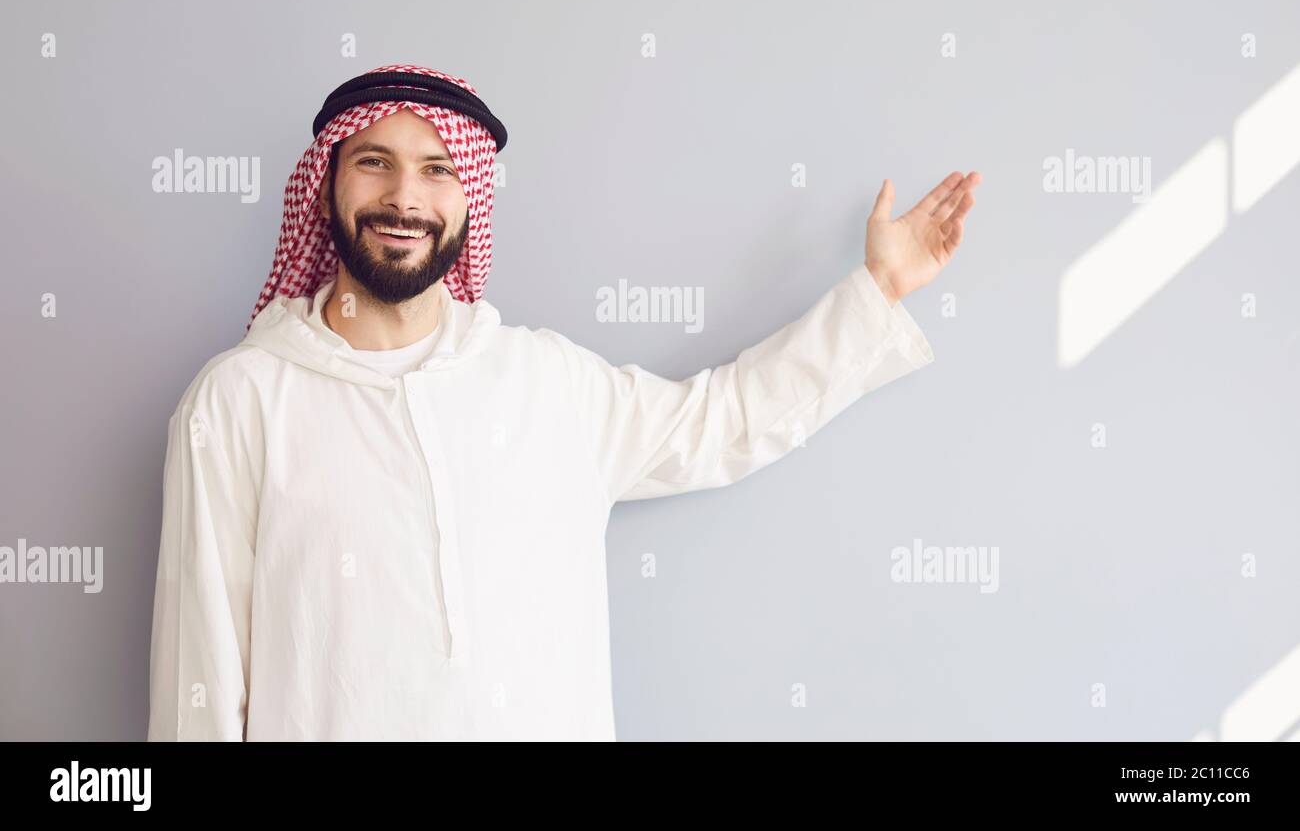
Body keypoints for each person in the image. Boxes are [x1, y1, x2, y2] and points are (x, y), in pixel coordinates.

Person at [146, 63, 980, 741]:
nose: (405, 198)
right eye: (375, 162)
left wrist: (879, 289)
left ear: (468, 197)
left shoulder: (544, 384)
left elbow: (723, 421)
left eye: (437, 169)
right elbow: (201, 685)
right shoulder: (239, 402)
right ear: (328, 187)